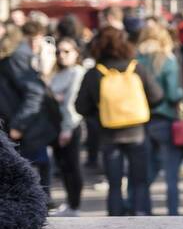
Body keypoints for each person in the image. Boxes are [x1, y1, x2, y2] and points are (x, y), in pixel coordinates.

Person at [74, 26, 163, 216]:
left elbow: (80, 106)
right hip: (137, 132)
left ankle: (115, 222)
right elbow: (157, 96)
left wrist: (99, 114)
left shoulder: (95, 73)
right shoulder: (136, 67)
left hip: (109, 135)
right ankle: (142, 216)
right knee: (139, 181)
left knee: (114, 185)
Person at [0, 24, 60, 204]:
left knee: (31, 182)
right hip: (20, 127)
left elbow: (34, 92)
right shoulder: (15, 56)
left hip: (24, 129)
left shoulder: (16, 57)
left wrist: (19, 125)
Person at [137, 21, 183, 216]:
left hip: (143, 120)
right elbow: (173, 94)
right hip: (166, 119)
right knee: (171, 176)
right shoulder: (167, 59)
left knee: (147, 173)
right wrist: (182, 93)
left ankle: (143, 212)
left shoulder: (136, 59)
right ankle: (173, 215)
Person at [47, 37, 87, 216]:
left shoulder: (77, 72)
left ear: (76, 53)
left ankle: (75, 204)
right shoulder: (57, 73)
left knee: (73, 165)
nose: (61, 55)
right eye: (58, 52)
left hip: (71, 124)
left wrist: (67, 129)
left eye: (66, 51)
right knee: (63, 166)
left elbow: (70, 101)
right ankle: (71, 203)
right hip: (55, 125)